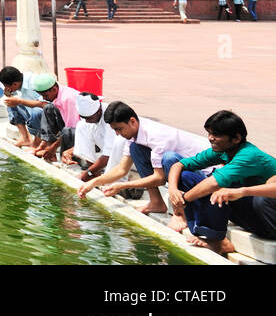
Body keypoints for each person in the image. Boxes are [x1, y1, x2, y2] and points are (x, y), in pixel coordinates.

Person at [77, 101, 208, 223]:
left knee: (169, 159)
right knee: (136, 149)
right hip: (181, 172)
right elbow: (122, 169)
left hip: (202, 177)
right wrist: (93, 182)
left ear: (132, 121)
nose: (117, 134)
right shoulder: (134, 135)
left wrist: (121, 186)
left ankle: (180, 214)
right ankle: (156, 202)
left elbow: (159, 178)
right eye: (115, 130)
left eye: (119, 129)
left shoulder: (155, 136)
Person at [168, 110, 276, 254]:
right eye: (209, 133)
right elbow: (178, 165)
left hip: (267, 217)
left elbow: (214, 183)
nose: (211, 138)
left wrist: (183, 200)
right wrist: (173, 191)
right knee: (185, 175)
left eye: (216, 135)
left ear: (236, 138)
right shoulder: (223, 151)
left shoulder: (249, 155)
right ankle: (206, 234)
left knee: (221, 185)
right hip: (249, 212)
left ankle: (218, 241)